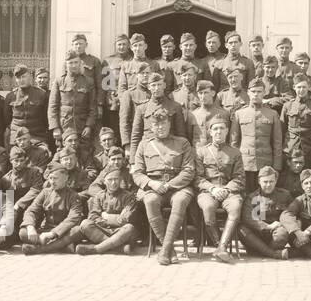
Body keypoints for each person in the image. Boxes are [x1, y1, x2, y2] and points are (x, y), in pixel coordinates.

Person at [130, 106, 197, 266]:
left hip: (178, 186)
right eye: (156, 125)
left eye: (163, 124)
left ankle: (165, 250)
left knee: (180, 201)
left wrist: (169, 185)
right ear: (151, 127)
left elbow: (189, 171)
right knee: (150, 201)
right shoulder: (144, 145)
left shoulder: (182, 143)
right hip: (153, 187)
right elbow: (137, 173)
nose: (160, 127)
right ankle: (170, 251)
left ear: (169, 124)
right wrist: (152, 183)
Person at [195, 117, 245, 264]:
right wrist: (212, 188)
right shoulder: (201, 152)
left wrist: (227, 189)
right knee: (208, 207)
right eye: (215, 129)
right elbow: (197, 178)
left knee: (235, 207)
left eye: (222, 128)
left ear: (227, 131)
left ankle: (221, 248)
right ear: (210, 132)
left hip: (230, 192)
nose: (218, 132)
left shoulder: (235, 152)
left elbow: (239, 178)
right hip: (208, 192)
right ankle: (219, 246)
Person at [70, 163, 140, 256]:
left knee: (129, 228)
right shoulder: (99, 196)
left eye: (116, 179)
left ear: (120, 180)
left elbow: (124, 220)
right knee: (85, 224)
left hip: (121, 231)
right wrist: (110, 220)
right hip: (104, 230)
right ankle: (118, 247)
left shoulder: (129, 196)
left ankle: (96, 249)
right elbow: (93, 216)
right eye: (110, 180)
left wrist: (106, 216)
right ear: (104, 181)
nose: (113, 183)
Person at [230, 78, 282, 194]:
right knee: (245, 195)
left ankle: (259, 214)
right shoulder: (239, 114)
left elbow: (277, 142)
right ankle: (248, 213)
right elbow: (234, 142)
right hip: (245, 163)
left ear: (264, 93)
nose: (256, 94)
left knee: (262, 196)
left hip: (265, 163)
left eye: (259, 91)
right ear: (248, 92)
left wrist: (277, 166)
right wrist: (234, 165)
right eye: (253, 91)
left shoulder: (272, 114)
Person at [19, 163, 85, 254]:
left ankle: (39, 249)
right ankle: (61, 246)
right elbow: (31, 211)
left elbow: (73, 218)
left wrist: (53, 233)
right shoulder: (45, 192)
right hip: (46, 230)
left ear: (65, 178)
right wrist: (30, 226)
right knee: (23, 232)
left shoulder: (73, 196)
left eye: (55, 178)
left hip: (62, 232)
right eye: (50, 178)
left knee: (77, 231)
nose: (52, 182)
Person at [280, 75, 311, 196]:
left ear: (308, 87)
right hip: (291, 148)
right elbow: (282, 128)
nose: (301, 90)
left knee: (308, 177)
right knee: (288, 177)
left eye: (304, 87)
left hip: (309, 148)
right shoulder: (287, 106)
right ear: (294, 87)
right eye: (299, 87)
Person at [239, 165, 292, 260]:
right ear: (259, 181)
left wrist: (281, 224)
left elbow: (291, 214)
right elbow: (248, 218)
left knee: (282, 234)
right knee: (242, 230)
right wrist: (267, 226)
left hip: (275, 234)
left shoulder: (285, 195)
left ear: (276, 181)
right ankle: (273, 254)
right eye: (265, 182)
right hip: (258, 235)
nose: (268, 185)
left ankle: (260, 251)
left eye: (271, 181)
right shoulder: (253, 197)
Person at [131, 70, 189, 156]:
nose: (157, 88)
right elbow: (136, 136)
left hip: (171, 150)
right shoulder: (142, 108)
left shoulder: (175, 106)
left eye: (159, 84)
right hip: (149, 151)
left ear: (164, 85)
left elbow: (181, 134)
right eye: (153, 85)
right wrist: (133, 161)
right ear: (148, 87)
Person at [48, 52, 97, 149]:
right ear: (66, 65)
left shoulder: (88, 81)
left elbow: (93, 107)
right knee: (64, 156)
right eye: (70, 63)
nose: (73, 65)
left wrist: (89, 126)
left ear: (80, 63)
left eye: (76, 62)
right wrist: (55, 127)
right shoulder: (59, 81)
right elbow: (52, 106)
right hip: (64, 127)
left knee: (84, 155)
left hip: (82, 127)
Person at [116, 34, 159, 143]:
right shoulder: (126, 66)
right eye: (135, 46)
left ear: (145, 46)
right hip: (132, 108)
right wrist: (126, 105)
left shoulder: (154, 64)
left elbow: (159, 84)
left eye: (140, 45)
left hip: (150, 105)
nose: (137, 48)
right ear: (131, 47)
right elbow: (122, 89)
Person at [3, 63, 51, 148]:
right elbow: (7, 120)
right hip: (17, 138)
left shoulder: (41, 95)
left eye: (24, 76)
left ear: (30, 77)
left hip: (36, 137)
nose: (21, 80)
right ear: (15, 80)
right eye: (18, 77)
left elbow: (46, 119)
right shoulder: (10, 96)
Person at [1, 144, 45, 231]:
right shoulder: (6, 179)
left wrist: (19, 204)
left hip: (31, 208)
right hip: (14, 211)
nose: (19, 163)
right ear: (11, 161)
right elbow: (5, 198)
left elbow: (36, 190)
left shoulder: (34, 172)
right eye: (16, 161)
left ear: (25, 160)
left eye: (21, 160)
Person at [100, 33, 132, 138]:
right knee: (113, 129)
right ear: (115, 45)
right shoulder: (107, 61)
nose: (122, 47)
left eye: (124, 44)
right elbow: (104, 84)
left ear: (129, 45)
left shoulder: (133, 60)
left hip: (129, 99)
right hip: (113, 102)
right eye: (119, 44)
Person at [188, 80, 231, 150]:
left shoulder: (224, 113)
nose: (203, 96)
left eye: (206, 93)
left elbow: (228, 137)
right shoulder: (193, 115)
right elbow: (189, 137)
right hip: (198, 155)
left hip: (218, 153)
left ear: (213, 93)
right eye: (200, 93)